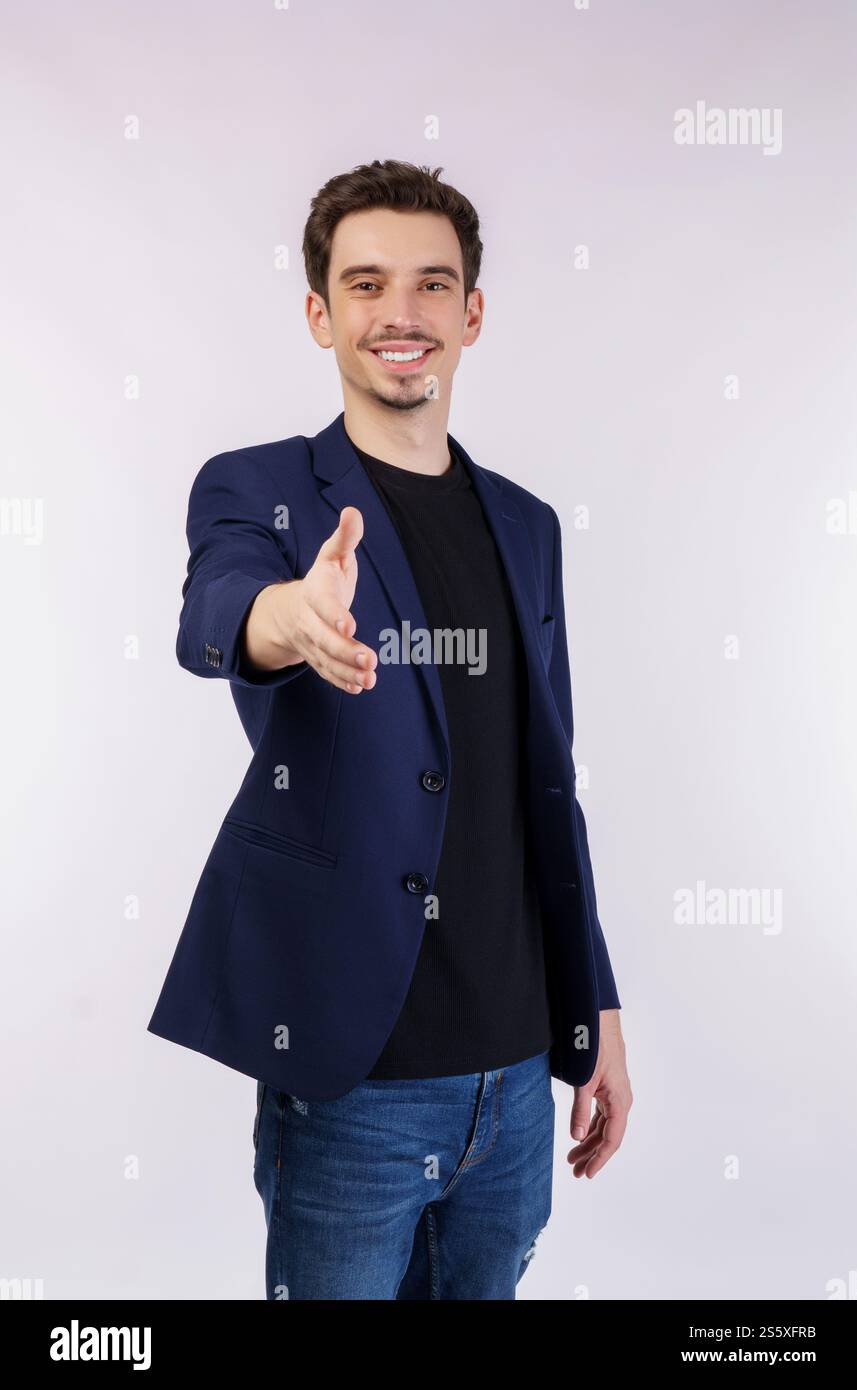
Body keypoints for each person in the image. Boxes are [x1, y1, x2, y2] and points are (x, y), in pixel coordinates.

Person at [147, 159, 633, 1300]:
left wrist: (594, 1004)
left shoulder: (526, 525)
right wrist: (289, 615)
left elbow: (544, 786)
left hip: (514, 1078)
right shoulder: (257, 488)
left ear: (472, 314)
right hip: (356, 1077)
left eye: (430, 284)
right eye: (364, 284)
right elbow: (215, 609)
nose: (398, 314)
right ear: (320, 313)